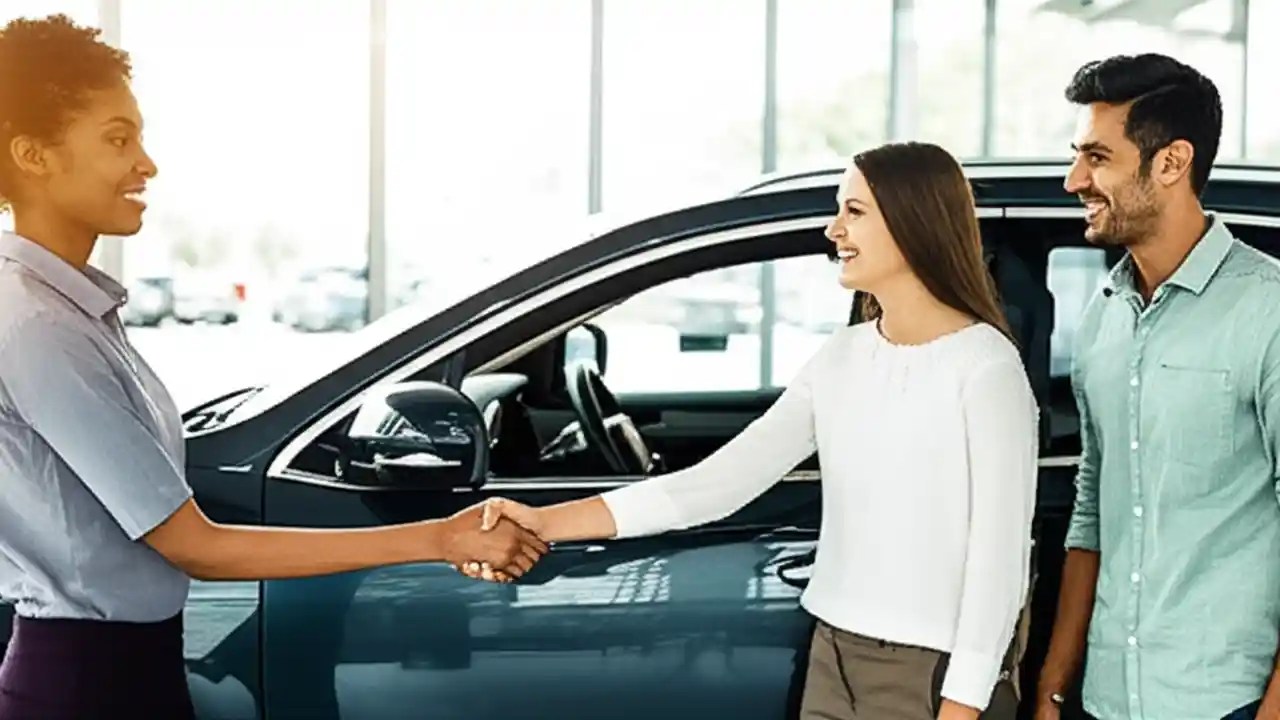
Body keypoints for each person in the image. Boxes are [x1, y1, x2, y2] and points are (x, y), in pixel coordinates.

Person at [0, 15, 546, 720]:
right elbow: (197, 546)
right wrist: (439, 537)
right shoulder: (38, 326)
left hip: (123, 672)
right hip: (85, 687)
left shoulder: (67, 310)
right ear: (33, 155)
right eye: (117, 139)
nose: (147, 163)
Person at [466, 140, 1040, 719]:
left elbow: (1000, 560)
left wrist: (962, 706)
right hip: (834, 651)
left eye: (854, 211)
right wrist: (544, 521)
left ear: (914, 220)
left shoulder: (985, 368)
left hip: (928, 671)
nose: (833, 230)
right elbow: (716, 484)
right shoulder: (843, 357)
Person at [1033, 53, 1280, 720]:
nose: (1073, 180)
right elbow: (1092, 511)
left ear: (1171, 163)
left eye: (1097, 158)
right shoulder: (1103, 316)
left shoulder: (1269, 311)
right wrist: (1055, 685)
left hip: (1225, 704)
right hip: (1106, 702)